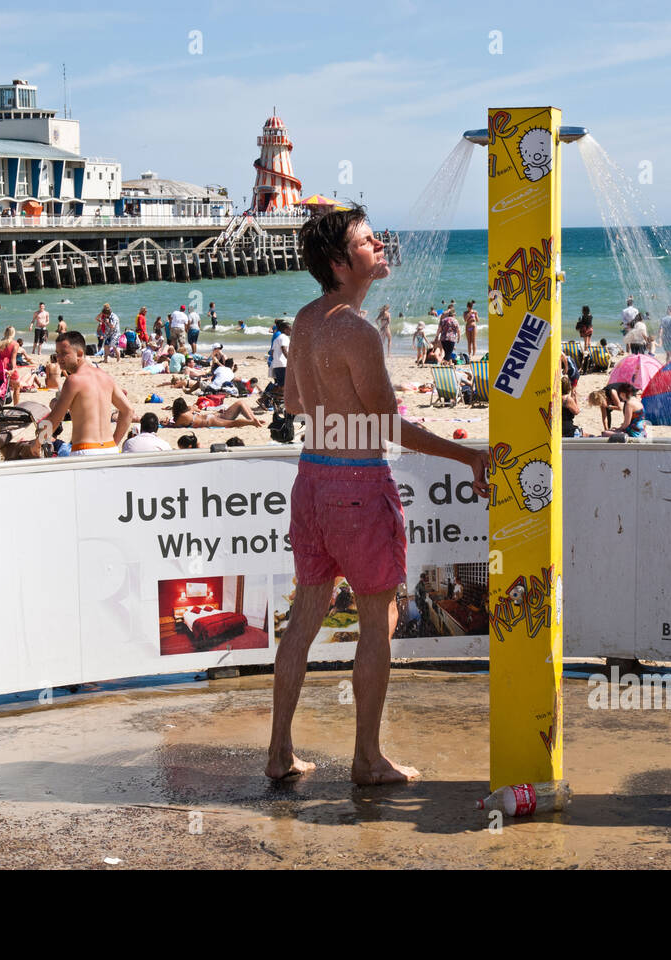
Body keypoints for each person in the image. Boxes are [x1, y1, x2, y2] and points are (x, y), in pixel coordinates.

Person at [268, 207, 490, 786]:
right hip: (357, 486)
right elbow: (391, 426)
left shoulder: (307, 317)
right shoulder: (357, 329)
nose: (381, 244)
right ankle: (367, 759)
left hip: (311, 478)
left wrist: (337, 412)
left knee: (304, 618)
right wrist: (467, 455)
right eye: (368, 241)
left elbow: (294, 403)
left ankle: (279, 752)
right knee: (377, 620)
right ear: (342, 264)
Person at [39, 330, 132, 456]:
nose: (59, 358)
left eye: (64, 353)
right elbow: (128, 410)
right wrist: (115, 442)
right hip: (110, 449)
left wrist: (37, 443)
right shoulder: (106, 377)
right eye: (57, 354)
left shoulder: (73, 380)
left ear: (79, 354)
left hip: (85, 450)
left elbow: (55, 419)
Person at [171, 395, 260, 428]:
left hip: (210, 421)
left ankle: (252, 422)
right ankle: (254, 421)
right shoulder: (189, 409)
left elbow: (174, 425)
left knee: (232, 423)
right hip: (211, 415)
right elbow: (197, 409)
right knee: (240, 402)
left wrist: (166, 423)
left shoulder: (182, 416)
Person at [270, 320, 291, 389]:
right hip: (283, 364)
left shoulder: (277, 338)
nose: (291, 331)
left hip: (276, 364)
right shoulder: (284, 337)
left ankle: (278, 398)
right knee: (285, 385)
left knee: (280, 384)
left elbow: (272, 352)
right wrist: (290, 360)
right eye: (290, 330)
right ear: (285, 330)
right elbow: (283, 348)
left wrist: (276, 359)